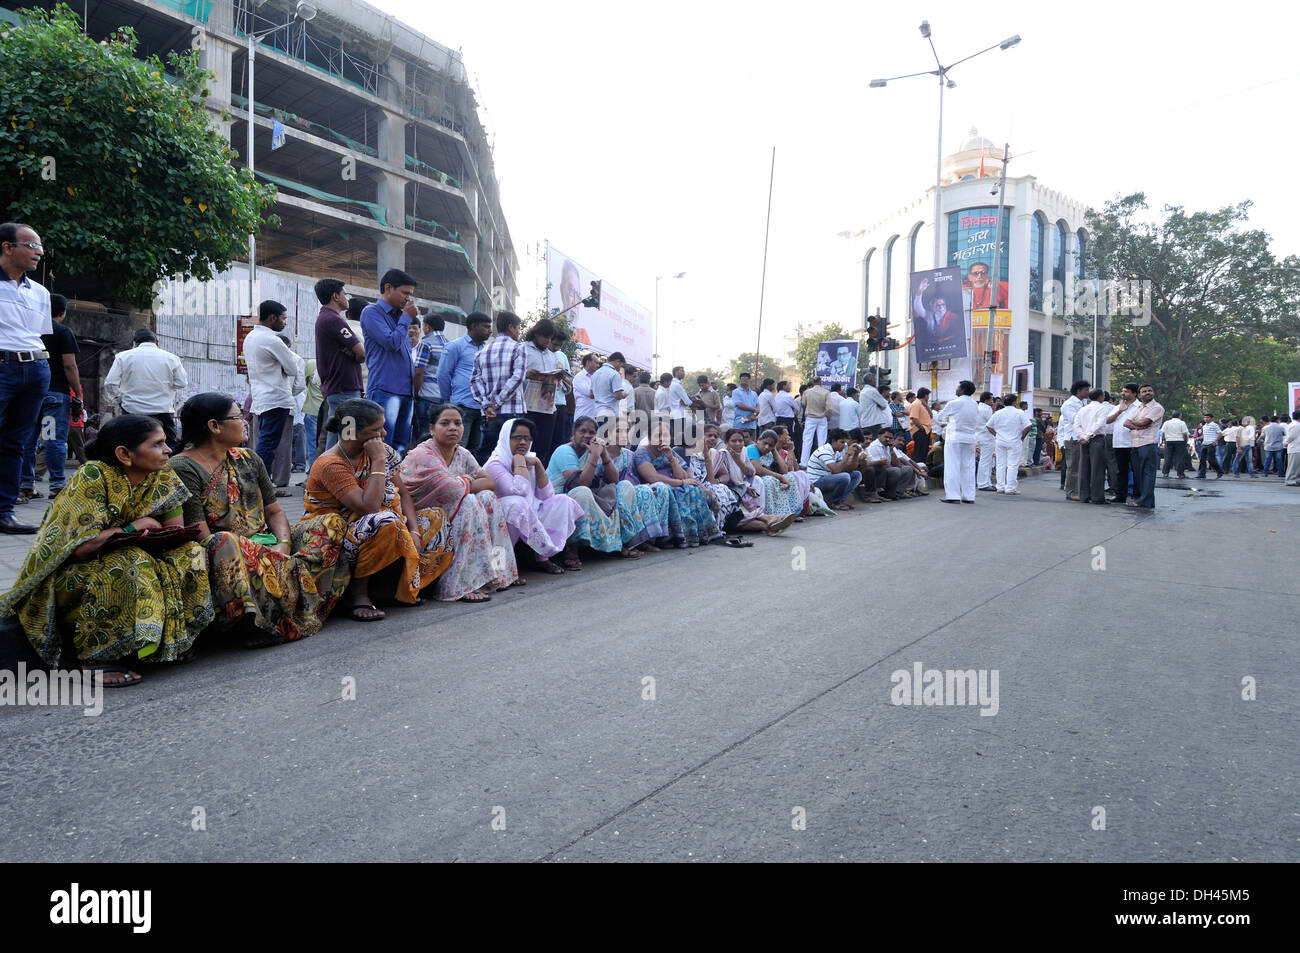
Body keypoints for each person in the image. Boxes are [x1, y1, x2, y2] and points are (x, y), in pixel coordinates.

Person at [0, 414, 214, 685]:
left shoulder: (163, 477)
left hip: (139, 562)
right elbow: (82, 548)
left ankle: (171, 641)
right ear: (125, 454)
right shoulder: (93, 476)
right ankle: (95, 658)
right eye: (157, 444)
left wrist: (158, 536)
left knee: (191, 554)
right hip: (73, 578)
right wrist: (132, 528)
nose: (168, 450)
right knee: (128, 561)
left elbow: (175, 534)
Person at [171, 393, 349, 645]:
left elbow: (274, 511)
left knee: (330, 523)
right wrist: (257, 554)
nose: (245, 421)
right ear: (214, 426)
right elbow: (200, 533)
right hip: (230, 555)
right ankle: (251, 622)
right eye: (237, 416)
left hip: (268, 547)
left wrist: (283, 545)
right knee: (224, 541)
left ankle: (300, 603)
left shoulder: (249, 459)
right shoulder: (183, 467)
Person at [304, 398, 454, 619]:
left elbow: (403, 493)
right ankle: (359, 595)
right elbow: (369, 507)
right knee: (383, 521)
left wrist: (413, 531)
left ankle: (397, 588)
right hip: (333, 530)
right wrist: (378, 461)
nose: (383, 434)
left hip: (374, 522)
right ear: (351, 432)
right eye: (375, 430)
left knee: (435, 518)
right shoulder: (331, 464)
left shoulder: (381, 451)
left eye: (382, 426)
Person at [399, 404, 521, 601]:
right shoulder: (424, 454)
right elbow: (452, 489)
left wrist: (463, 481)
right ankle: (457, 585)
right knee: (469, 502)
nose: (453, 428)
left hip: (452, 514)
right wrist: (467, 480)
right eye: (445, 423)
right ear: (431, 428)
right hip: (420, 519)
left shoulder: (462, 453)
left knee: (487, 499)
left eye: (458, 423)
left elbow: (489, 482)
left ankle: (496, 573)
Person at [0, 223, 52, 532]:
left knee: (17, 443)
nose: (39, 252)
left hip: (36, 368)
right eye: (31, 245)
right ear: (8, 247)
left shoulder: (41, 292)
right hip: (2, 365)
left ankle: (5, 512)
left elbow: (36, 335)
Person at [486, 417, 585, 572]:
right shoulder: (496, 464)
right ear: (506, 438)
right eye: (517, 438)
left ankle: (543, 557)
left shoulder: (530, 460)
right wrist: (519, 463)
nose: (523, 443)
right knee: (517, 505)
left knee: (562, 501)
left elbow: (548, 495)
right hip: (501, 517)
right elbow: (519, 490)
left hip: (526, 512)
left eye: (527, 438)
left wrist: (538, 465)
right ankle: (501, 568)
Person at [549, 416, 657, 558]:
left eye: (591, 432)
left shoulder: (595, 449)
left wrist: (604, 454)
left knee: (625, 486)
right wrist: (594, 456)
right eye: (583, 431)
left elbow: (614, 480)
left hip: (591, 495)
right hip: (561, 498)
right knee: (582, 492)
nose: (587, 435)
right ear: (574, 433)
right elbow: (579, 484)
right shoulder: (564, 450)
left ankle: (621, 542)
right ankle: (572, 548)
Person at [18, 293, 81, 505]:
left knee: (28, 440)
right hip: (54, 395)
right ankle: (57, 486)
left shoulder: (29, 330)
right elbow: (69, 365)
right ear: (62, 313)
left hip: (30, 394)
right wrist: (78, 393)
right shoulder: (63, 332)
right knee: (53, 439)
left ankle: (26, 485)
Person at [243, 300, 305, 492]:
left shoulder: (250, 337)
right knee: (269, 444)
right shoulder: (272, 340)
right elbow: (292, 367)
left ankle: (262, 483)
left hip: (260, 397)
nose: (285, 322)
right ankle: (260, 484)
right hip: (276, 398)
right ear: (272, 318)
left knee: (265, 442)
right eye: (284, 318)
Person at [360, 269, 420, 453]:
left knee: (401, 447)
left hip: (405, 392)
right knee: (383, 445)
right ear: (388, 288)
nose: (408, 299)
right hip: (386, 389)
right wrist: (406, 319)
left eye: (410, 294)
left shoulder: (399, 316)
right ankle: (379, 481)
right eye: (405, 293)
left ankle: (394, 482)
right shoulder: (372, 312)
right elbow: (391, 343)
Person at [103, 327, 187, 450]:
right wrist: (165, 387)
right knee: (167, 448)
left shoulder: (123, 357)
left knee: (131, 446)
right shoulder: (171, 358)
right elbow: (182, 383)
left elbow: (110, 383)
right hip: (163, 411)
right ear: (156, 342)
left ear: (135, 343)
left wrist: (120, 399)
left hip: (132, 410)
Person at [633, 424, 715, 547]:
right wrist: (681, 483)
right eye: (657, 436)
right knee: (674, 489)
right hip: (654, 486)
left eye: (665, 435)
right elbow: (652, 477)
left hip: (673, 483)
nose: (661, 439)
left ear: (670, 438)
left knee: (693, 490)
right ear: (650, 437)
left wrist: (671, 459)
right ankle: (666, 537)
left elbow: (685, 476)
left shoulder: (670, 452)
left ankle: (692, 534)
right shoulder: (642, 453)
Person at [711, 428, 796, 535]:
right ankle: (769, 522)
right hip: (731, 492)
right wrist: (744, 487)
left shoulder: (744, 451)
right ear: (726, 442)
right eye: (734, 441)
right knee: (740, 513)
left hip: (741, 489)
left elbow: (751, 472)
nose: (738, 444)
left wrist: (738, 460)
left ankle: (770, 521)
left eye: (740, 441)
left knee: (757, 481)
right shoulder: (722, 454)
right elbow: (725, 480)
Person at [311, 278, 362, 454]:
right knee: (347, 439)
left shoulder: (325, 318)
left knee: (335, 440)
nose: (346, 298)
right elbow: (362, 352)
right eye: (344, 294)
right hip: (344, 387)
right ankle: (338, 476)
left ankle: (325, 476)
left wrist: (355, 354)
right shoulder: (333, 319)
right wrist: (357, 355)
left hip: (338, 388)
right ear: (335, 296)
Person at [470, 311, 528, 464]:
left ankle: (484, 485)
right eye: (518, 328)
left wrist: (486, 404)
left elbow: (475, 381)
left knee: (488, 453)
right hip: (511, 410)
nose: (519, 332)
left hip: (489, 415)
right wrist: (496, 404)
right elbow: (517, 378)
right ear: (510, 327)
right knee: (513, 453)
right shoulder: (518, 348)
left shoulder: (482, 352)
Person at [438, 310, 492, 457]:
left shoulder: (487, 349)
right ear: (474, 326)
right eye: (486, 327)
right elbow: (443, 374)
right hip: (461, 406)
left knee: (474, 449)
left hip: (481, 408)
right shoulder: (455, 346)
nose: (490, 330)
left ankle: (467, 479)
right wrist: (448, 400)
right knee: (457, 447)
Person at [520, 318, 563, 464]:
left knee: (544, 445)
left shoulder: (551, 355)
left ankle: (539, 475)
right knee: (525, 442)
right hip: (527, 405)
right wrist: (526, 374)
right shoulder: (522, 349)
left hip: (547, 405)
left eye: (550, 338)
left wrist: (558, 377)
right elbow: (512, 374)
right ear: (536, 333)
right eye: (545, 337)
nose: (547, 341)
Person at [932, 381, 980, 503]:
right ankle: (969, 496)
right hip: (969, 438)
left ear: (962, 390)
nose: (956, 389)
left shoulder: (954, 403)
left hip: (955, 438)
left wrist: (948, 423)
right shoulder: (974, 404)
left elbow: (939, 416)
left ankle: (953, 495)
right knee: (968, 467)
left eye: (958, 387)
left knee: (952, 466)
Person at [1123, 383, 1165, 510]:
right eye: (1144, 391)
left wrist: (1136, 424)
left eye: (1150, 391)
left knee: (1148, 473)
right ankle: (1145, 500)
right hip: (1135, 444)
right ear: (1139, 395)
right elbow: (1126, 423)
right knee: (1138, 473)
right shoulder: (1139, 407)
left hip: (1148, 443)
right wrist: (1139, 426)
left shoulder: (1157, 408)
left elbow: (1145, 422)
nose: (1147, 393)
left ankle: (1144, 500)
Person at [411, 313, 448, 450]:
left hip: (426, 397)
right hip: (443, 399)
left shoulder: (426, 343)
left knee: (422, 436)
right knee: (439, 436)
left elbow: (419, 372)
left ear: (427, 327)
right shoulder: (450, 344)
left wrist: (414, 394)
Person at [747, 429, 803, 518]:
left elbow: (784, 471)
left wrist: (774, 451)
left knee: (789, 477)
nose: (766, 447)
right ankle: (772, 515)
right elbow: (758, 469)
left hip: (767, 477)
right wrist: (780, 477)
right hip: (753, 479)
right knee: (770, 481)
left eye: (770, 445)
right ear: (758, 440)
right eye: (764, 443)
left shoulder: (770, 452)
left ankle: (790, 514)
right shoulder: (752, 449)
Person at [806, 429, 864, 511]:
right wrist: (848, 454)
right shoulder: (824, 451)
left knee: (857, 475)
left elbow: (848, 468)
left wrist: (856, 455)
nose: (844, 445)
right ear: (833, 441)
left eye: (845, 443)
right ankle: (835, 502)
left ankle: (841, 500)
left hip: (827, 478)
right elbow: (836, 470)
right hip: (816, 482)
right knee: (845, 477)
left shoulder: (836, 452)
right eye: (842, 442)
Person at [911, 277, 965, 357]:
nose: (941, 307)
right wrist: (920, 291)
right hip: (930, 350)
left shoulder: (953, 317)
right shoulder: (928, 315)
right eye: (937, 305)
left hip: (950, 349)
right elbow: (917, 306)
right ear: (932, 307)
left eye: (943, 305)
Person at [1073, 389, 1109, 504]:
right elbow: (1099, 424)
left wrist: (1082, 436)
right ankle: (1097, 497)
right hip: (1096, 439)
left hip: (1084, 440)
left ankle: (1083, 495)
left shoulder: (1083, 409)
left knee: (1084, 468)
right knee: (1097, 469)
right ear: (1100, 396)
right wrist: (1088, 436)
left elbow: (1076, 425)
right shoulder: (1102, 408)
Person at [1058, 380, 1090, 500]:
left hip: (1081, 437)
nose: (1088, 392)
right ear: (1078, 391)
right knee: (1073, 467)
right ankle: (1071, 492)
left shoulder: (1083, 403)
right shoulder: (1069, 404)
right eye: (1086, 390)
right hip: (1073, 438)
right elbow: (1076, 419)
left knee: (1080, 467)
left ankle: (1078, 490)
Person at [799, 377, 831, 465]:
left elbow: (803, 403)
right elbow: (829, 408)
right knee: (822, 441)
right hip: (822, 418)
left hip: (810, 417)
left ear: (812, 382)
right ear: (820, 382)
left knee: (807, 440)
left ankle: (803, 462)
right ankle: (821, 462)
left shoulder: (807, 392)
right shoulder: (826, 392)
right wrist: (828, 417)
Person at [590, 352, 627, 420]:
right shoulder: (615, 374)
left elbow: (591, 395)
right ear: (617, 362)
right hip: (609, 413)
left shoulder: (595, 373)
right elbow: (618, 396)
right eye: (621, 365)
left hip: (596, 413)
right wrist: (624, 394)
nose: (620, 368)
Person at [974, 392, 997, 491]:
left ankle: (986, 482)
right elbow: (992, 423)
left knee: (986, 460)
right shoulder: (986, 409)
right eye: (991, 399)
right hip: (986, 437)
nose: (992, 402)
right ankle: (983, 483)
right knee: (986, 461)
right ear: (986, 400)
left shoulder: (977, 407)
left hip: (979, 436)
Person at [1160, 411, 1191, 478]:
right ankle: (1180, 474)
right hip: (1179, 441)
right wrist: (1185, 441)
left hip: (1169, 441)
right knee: (1179, 458)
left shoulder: (1166, 422)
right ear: (1179, 416)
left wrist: (1164, 440)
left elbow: (1163, 433)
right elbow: (1185, 434)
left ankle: (1165, 473)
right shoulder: (1182, 423)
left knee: (1167, 457)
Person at [907, 387, 933, 464]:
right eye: (928, 396)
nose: (928, 398)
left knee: (924, 453)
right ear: (925, 395)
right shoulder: (916, 404)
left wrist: (926, 405)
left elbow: (931, 416)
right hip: (920, 431)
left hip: (925, 430)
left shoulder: (922, 404)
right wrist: (922, 429)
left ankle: (922, 470)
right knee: (919, 453)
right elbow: (914, 418)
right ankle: (917, 471)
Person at [732, 373, 761, 440]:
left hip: (752, 425)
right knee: (738, 444)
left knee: (751, 445)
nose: (744, 380)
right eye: (743, 378)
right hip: (740, 423)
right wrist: (754, 410)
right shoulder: (736, 392)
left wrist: (753, 416)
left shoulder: (754, 393)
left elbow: (758, 406)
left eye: (746, 379)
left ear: (749, 380)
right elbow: (739, 405)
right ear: (740, 380)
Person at [1195, 411, 1222, 480]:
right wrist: (1198, 438)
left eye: (1208, 417)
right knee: (1202, 460)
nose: (1206, 419)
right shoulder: (1204, 426)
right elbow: (1204, 435)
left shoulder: (1214, 425)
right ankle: (1202, 474)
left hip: (1211, 444)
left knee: (1211, 459)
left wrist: (1215, 441)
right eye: (1205, 417)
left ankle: (1219, 471)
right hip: (1204, 444)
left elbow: (1220, 434)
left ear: (1211, 418)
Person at [1285, 414, 1300, 486]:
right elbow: (1292, 436)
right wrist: (1287, 442)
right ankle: (1290, 480)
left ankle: (1295, 479)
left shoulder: (1294, 424)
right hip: (1295, 447)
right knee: (1293, 466)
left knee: (1296, 465)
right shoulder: (1296, 425)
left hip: (1295, 447)